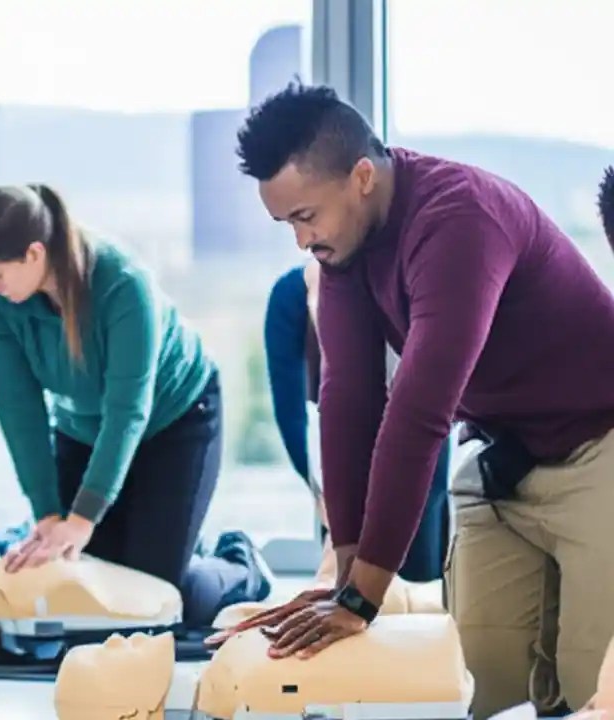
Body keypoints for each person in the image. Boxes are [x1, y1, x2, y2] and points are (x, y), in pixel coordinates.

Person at [230, 82, 614, 718]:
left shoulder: (459, 219)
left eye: (305, 217)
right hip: (504, 461)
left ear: (360, 177)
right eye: (286, 224)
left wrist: (363, 598)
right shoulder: (346, 247)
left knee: (588, 692)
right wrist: (346, 571)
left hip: (599, 449)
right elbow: (347, 398)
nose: (301, 242)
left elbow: (418, 413)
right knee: (472, 689)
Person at [0, 183, 272, 628]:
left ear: (33, 254)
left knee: (156, 598)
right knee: (88, 586)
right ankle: (179, 539)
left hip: (175, 422)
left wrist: (82, 520)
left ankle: (240, 564)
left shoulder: (124, 286)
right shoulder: (0, 304)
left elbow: (127, 412)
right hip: (83, 429)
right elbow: (18, 410)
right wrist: (49, 515)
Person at [263, 259, 450, 583]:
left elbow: (424, 397)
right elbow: (290, 412)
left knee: (419, 580)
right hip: (337, 443)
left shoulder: (397, 287)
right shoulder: (288, 298)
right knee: (344, 576)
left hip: (415, 433)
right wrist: (322, 492)